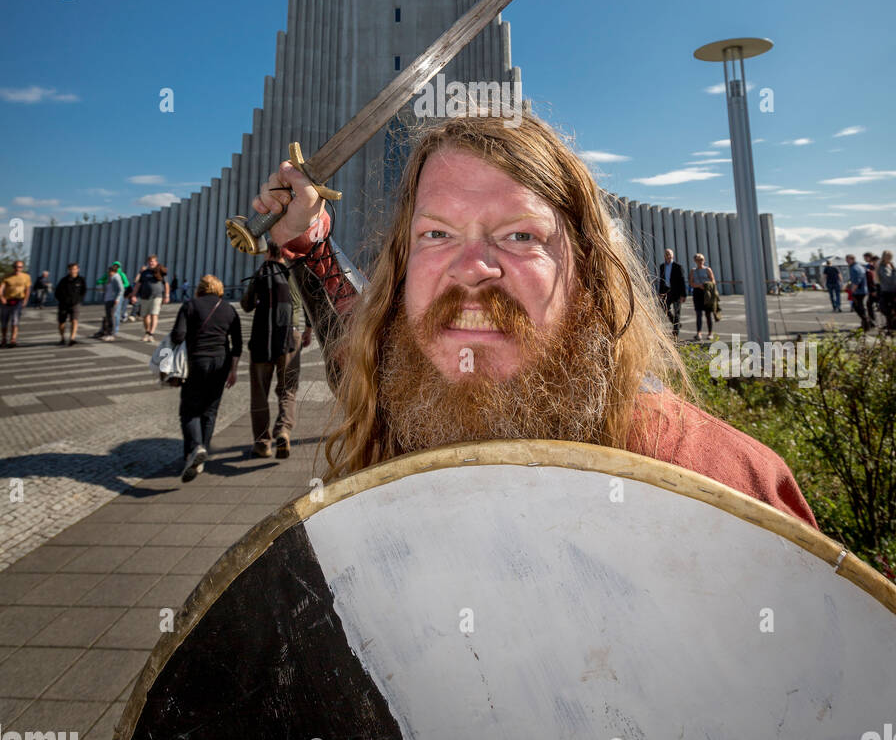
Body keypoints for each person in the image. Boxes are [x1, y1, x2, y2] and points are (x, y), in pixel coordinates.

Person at [254, 114, 818, 527]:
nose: (471, 269)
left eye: (519, 235)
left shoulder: (721, 488)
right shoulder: (402, 394)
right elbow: (355, 337)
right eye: (436, 234)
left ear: (589, 272)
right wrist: (305, 242)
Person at [241, 241, 312, 459]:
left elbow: (246, 304)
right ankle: (283, 430)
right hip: (290, 336)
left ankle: (262, 443)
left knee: (259, 391)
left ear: (266, 252)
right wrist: (308, 328)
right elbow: (309, 301)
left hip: (263, 337)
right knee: (288, 388)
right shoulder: (294, 273)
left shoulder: (261, 273)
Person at [170, 275, 242, 482]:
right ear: (219, 289)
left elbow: (178, 336)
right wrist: (233, 370)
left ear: (200, 289)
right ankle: (200, 455)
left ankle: (195, 448)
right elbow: (236, 344)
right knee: (210, 411)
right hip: (222, 363)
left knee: (190, 410)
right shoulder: (228, 309)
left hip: (197, 362)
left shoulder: (190, 306)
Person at [131, 254, 170, 343]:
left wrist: (167, 295)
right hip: (145, 296)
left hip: (157, 296)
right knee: (145, 316)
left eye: (153, 261)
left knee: (154, 314)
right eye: (150, 261)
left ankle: (151, 334)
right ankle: (147, 332)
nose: (151, 263)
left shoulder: (161, 271)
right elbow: (138, 284)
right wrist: (133, 295)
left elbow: (166, 284)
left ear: (156, 262)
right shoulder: (144, 273)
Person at [656, 248, 686, 340]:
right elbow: (661, 280)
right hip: (667, 291)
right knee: (664, 308)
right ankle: (675, 323)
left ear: (672, 255)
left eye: (669, 254)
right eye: (666, 254)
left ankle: (675, 333)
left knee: (677, 312)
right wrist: (660, 293)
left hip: (676, 292)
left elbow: (682, 281)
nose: (667, 255)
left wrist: (683, 295)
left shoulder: (677, 266)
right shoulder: (662, 266)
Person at [0, 260, 31, 347]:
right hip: (6, 300)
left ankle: (13, 339)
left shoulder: (26, 277)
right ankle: (4, 339)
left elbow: (27, 289)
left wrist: (25, 300)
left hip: (18, 300)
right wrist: (1, 297)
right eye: (16, 267)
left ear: (22, 268)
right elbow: (1, 288)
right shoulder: (7, 276)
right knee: (4, 321)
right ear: (13, 267)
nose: (18, 269)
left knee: (15, 320)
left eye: (20, 267)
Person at [54, 262, 86, 345]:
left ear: (78, 269)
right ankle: (62, 338)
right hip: (64, 304)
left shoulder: (81, 280)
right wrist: (62, 300)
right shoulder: (63, 280)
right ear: (69, 270)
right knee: (62, 322)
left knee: (74, 320)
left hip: (75, 304)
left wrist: (79, 300)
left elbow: (83, 291)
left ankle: (72, 338)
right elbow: (57, 292)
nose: (73, 271)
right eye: (71, 269)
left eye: (75, 269)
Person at [688, 253, 716, 342]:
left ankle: (710, 333)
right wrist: (698, 285)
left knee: (708, 314)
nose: (700, 261)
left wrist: (706, 285)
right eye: (698, 260)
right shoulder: (693, 271)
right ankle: (699, 333)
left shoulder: (708, 269)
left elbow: (713, 281)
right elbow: (691, 283)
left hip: (706, 293)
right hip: (697, 292)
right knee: (698, 314)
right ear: (695, 261)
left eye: (702, 259)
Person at [875, 251, 896, 332]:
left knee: (895, 310)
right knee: (887, 310)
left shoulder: (891, 265)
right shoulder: (881, 267)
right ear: (884, 257)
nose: (889, 258)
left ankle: (893, 326)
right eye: (888, 256)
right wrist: (894, 271)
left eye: (890, 256)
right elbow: (888, 278)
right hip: (886, 291)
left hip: (894, 291)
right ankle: (890, 327)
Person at [845, 255, 872, 331]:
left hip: (859, 290)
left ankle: (866, 324)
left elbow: (857, 279)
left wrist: (853, 289)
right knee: (860, 307)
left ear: (852, 259)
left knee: (858, 307)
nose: (847, 261)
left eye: (848, 260)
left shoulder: (854, 268)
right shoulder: (859, 266)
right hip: (862, 289)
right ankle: (865, 323)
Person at [99, 265, 124, 341]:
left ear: (114, 271)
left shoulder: (116, 277)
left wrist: (117, 298)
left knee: (111, 316)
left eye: (111, 271)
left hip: (112, 299)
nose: (110, 273)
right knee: (108, 316)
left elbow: (121, 289)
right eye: (109, 271)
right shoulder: (110, 278)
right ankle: (108, 333)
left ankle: (112, 333)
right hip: (108, 299)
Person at [862, 252, 878, 327]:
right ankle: (872, 320)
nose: (864, 259)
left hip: (875, 288)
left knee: (869, 304)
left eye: (865, 257)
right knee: (869, 304)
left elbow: (873, 278)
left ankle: (872, 320)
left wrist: (873, 289)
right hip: (872, 288)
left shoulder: (871, 266)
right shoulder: (868, 266)